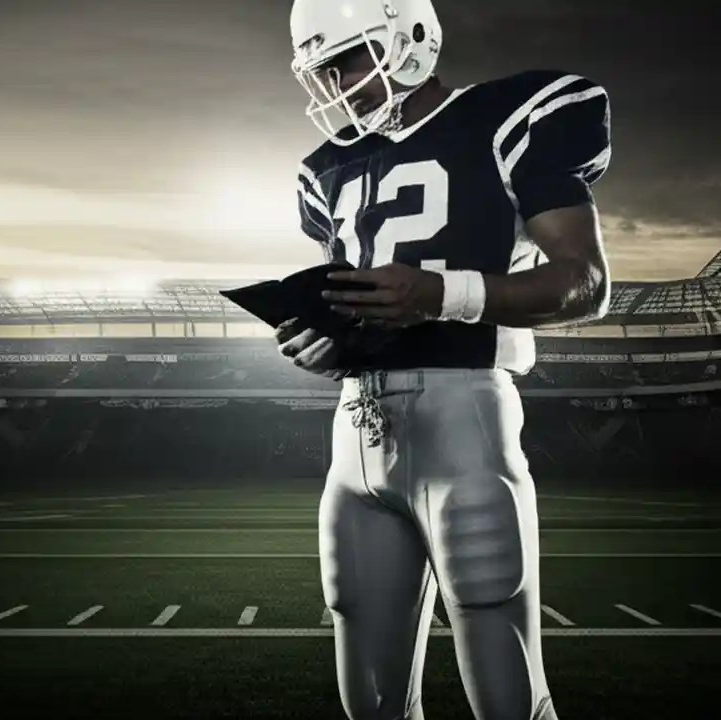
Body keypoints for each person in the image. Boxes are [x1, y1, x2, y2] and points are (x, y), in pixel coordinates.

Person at [275, 1, 613, 718]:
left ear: (409, 36)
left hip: (464, 424)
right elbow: (363, 301)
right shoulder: (329, 168)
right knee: (369, 703)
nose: (335, 85)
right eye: (321, 70)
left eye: (348, 58)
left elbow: (584, 283)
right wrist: (325, 339)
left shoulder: (500, 120)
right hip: (353, 435)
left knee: (507, 695)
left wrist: (440, 294)